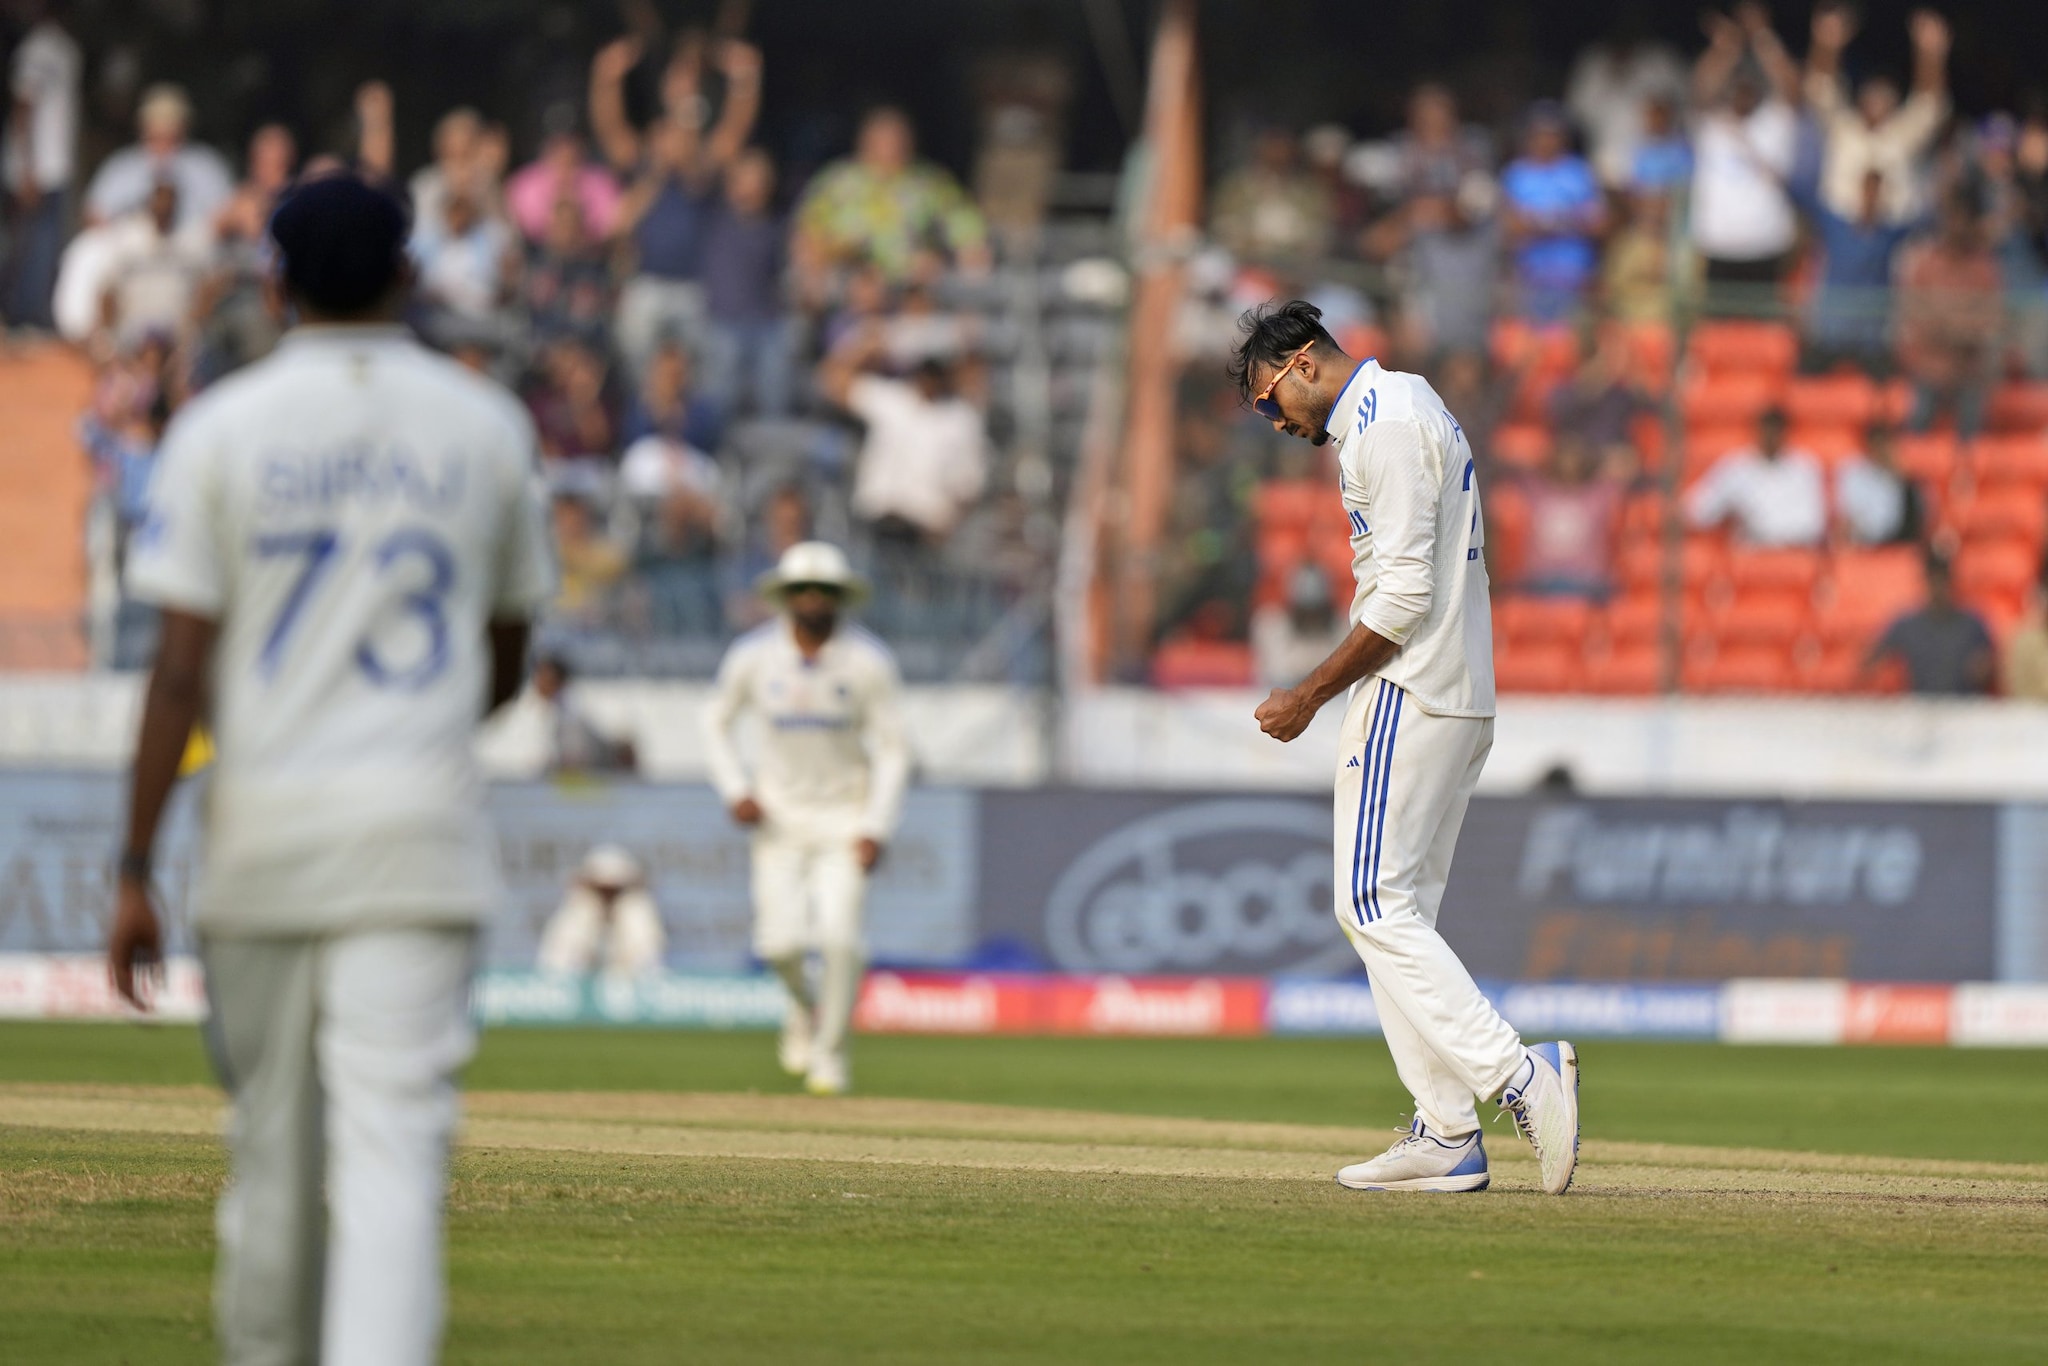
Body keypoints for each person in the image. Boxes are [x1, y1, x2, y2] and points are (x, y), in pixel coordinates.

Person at [105, 174, 554, 1366]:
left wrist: (134, 864)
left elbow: (178, 669)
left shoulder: (221, 428)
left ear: (273, 286)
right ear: (408, 278)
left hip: (264, 835)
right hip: (416, 835)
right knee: (393, 1153)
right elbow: (507, 655)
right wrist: (415, 726)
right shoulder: (483, 426)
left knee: (272, 1152)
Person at [1230, 299, 1580, 1197]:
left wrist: (1309, 694)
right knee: (1397, 915)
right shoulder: (1407, 402)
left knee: (1369, 904)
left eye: (1270, 399)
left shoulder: (1381, 427)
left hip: (1410, 689)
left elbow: (1402, 600)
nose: (1275, 421)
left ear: (1304, 362)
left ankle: (1518, 1074)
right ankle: (1447, 1132)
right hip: (1458, 691)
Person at [702, 540, 909, 1097]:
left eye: (824, 590)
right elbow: (714, 722)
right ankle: (804, 1008)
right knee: (779, 946)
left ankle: (830, 1056)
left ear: (841, 597)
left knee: (840, 940)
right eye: (801, 590)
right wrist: (736, 789)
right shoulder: (753, 656)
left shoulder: (867, 661)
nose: (813, 599)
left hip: (844, 819)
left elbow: (893, 750)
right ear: (785, 596)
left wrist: (876, 826)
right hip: (778, 821)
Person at [591, 35, 763, 380]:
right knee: (638, 371)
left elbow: (736, 129)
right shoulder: (647, 153)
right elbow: (610, 129)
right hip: (646, 282)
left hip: (696, 288)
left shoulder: (707, 156)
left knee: (699, 376)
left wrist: (746, 78)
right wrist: (605, 78)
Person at [822, 329, 990, 549]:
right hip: (874, 523)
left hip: (923, 537)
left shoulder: (962, 419)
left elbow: (970, 487)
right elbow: (833, 381)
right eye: (925, 370)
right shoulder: (892, 399)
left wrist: (950, 527)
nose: (929, 379)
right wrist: (864, 346)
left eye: (936, 371)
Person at [792, 105, 990, 289]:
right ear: (866, 142)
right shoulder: (837, 181)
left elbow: (967, 230)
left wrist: (964, 266)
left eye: (897, 140)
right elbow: (807, 234)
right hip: (846, 284)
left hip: (914, 287)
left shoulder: (929, 183)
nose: (891, 146)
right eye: (883, 140)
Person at [1805, 5, 1950, 225]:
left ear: (1895, 104)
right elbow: (1820, 88)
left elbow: (1930, 104)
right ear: (1860, 99)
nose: (1878, 100)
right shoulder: (1844, 128)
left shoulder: (1902, 134)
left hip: (1896, 228)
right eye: (1873, 93)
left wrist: (1931, 53)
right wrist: (1826, 43)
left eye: (1885, 95)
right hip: (1837, 224)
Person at [1688, 8, 1801, 289]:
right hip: (1718, 245)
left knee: (1763, 317)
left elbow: (1791, 88)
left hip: (1767, 245)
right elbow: (1701, 87)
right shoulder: (1712, 125)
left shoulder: (1774, 123)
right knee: (1718, 318)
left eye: (1748, 88)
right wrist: (1726, 50)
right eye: (1737, 87)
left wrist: (1762, 36)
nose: (1742, 93)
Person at [1896, 191, 2004, 441]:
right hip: (1929, 368)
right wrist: (1955, 328)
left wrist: (1953, 329)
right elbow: (1915, 318)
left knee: (1974, 434)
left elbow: (1990, 322)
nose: (1957, 227)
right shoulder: (1926, 265)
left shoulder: (1985, 268)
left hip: (1969, 370)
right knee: (1916, 426)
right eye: (1952, 220)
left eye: (1963, 220)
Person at [3, 0, 82, 330]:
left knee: (47, 248)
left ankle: (35, 318)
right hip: (37, 168)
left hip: (56, 165)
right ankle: (20, 318)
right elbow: (24, 107)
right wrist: (27, 168)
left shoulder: (65, 47)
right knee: (27, 246)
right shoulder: (38, 48)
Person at [1499, 102, 1606, 322]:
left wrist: (1540, 222)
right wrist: (1564, 221)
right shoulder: (1516, 173)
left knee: (1570, 340)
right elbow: (1510, 227)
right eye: (1540, 134)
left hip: (1574, 278)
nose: (1546, 140)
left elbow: (1598, 224)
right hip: (1530, 279)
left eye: (1552, 134)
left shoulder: (1579, 172)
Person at [83, 82, 233, 230]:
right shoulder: (122, 165)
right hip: (132, 241)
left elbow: (228, 214)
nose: (163, 126)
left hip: (193, 241)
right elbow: (95, 213)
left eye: (170, 119)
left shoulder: (206, 164)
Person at [1564, 16, 1688, 189]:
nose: (1626, 30)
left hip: (1657, 165)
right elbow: (1575, 114)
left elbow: (1682, 102)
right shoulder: (1593, 62)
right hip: (1605, 164)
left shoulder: (1660, 58)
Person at [1685, 408, 1828, 547]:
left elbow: (1814, 524)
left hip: (1793, 552)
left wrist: (1772, 533)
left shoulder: (1804, 467)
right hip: (1749, 552)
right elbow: (1696, 511)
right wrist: (1728, 513)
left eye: (1776, 431)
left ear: (1785, 432)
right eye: (1766, 430)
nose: (1770, 437)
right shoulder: (1735, 467)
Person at [1862, 556, 1995, 694]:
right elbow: (1870, 660)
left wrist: (1984, 667)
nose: (1938, 588)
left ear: (1951, 582)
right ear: (1926, 581)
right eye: (1934, 581)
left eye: (1942, 581)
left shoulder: (1972, 625)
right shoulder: (1907, 625)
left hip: (1962, 702)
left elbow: (1988, 665)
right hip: (1920, 703)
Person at [1516, 435, 1626, 599]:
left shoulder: (1598, 495)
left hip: (1587, 582)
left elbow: (1625, 466)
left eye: (1575, 459)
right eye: (1564, 458)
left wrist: (1601, 461)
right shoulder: (1537, 492)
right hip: (1541, 580)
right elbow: (1518, 464)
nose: (1569, 464)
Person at [536, 845, 666, 979]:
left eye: (615, 891)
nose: (607, 897)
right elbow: (556, 968)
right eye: (601, 890)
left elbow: (649, 967)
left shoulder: (636, 915)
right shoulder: (575, 915)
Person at [1210, 126, 1334, 262]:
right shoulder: (1236, 187)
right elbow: (1224, 227)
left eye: (1283, 149)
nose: (1277, 155)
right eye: (1272, 148)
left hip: (1295, 262)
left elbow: (1319, 231)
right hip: (1247, 260)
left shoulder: (1308, 190)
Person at [531, 653, 637, 775]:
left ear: (553, 678)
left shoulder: (569, 706)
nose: (537, 682)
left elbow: (574, 756)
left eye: (542, 676)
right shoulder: (556, 705)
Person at [1834, 426, 1922, 546]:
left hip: (1895, 540)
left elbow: (1908, 521)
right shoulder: (1853, 471)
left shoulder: (1903, 479)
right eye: (1879, 445)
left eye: (1887, 446)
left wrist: (1902, 479)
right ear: (1870, 445)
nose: (1883, 451)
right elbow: (1849, 517)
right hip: (1862, 540)